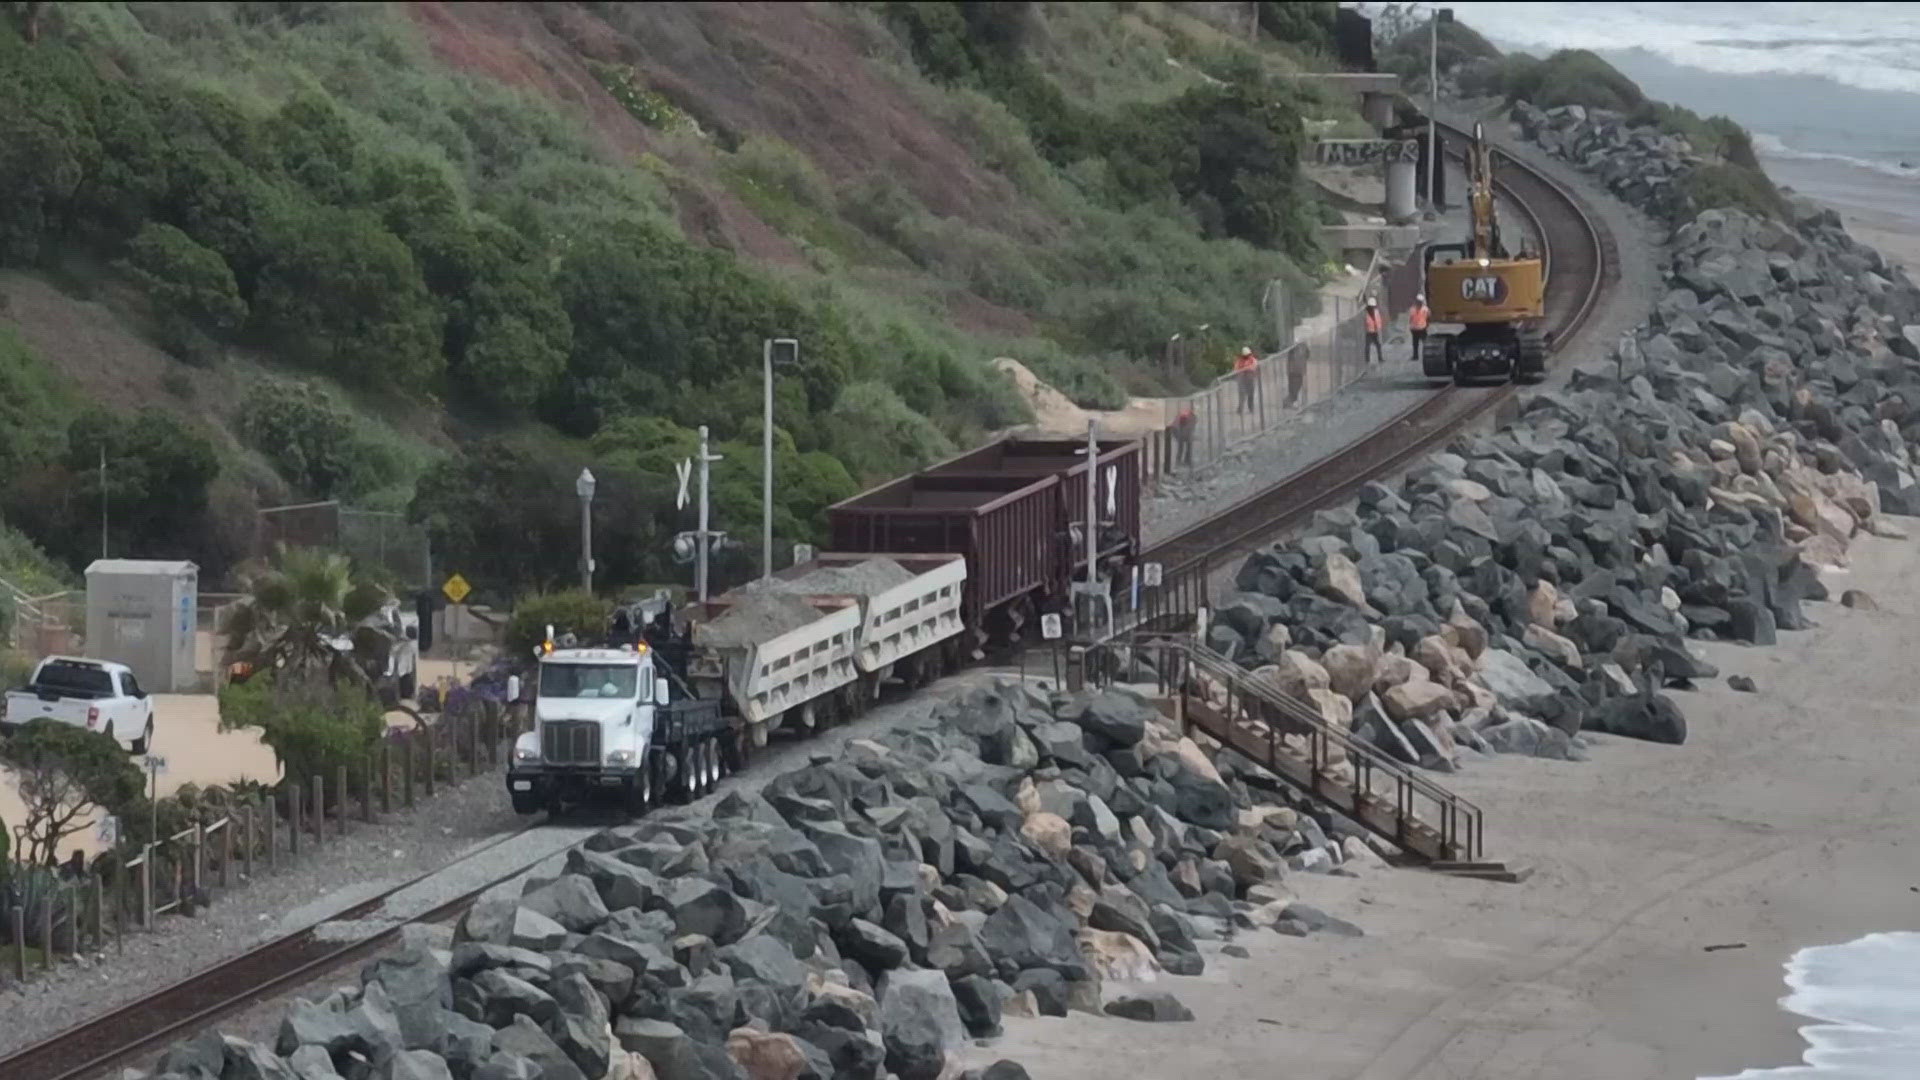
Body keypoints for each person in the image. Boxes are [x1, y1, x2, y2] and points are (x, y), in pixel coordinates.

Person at [1233, 346, 1258, 414]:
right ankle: (1240, 409)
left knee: (1250, 395)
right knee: (1242, 395)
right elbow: (1236, 369)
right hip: (1242, 380)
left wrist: (1244, 369)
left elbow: (1253, 367)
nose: (1247, 356)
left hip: (1250, 379)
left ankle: (1251, 408)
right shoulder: (1239, 361)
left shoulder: (1253, 360)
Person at [1408, 292, 1430, 363]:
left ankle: (1425, 355)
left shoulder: (1425, 309)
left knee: (1425, 343)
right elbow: (1411, 318)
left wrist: (1427, 325)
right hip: (1415, 328)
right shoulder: (1413, 309)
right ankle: (1415, 356)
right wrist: (1410, 326)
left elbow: (1428, 317)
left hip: (1422, 328)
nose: (1419, 303)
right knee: (1415, 343)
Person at [1172, 401, 1195, 467]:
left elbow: (1192, 426)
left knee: (1187, 447)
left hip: (1186, 434)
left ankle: (1187, 460)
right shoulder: (1178, 421)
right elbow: (1174, 429)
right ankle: (1180, 461)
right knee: (1181, 448)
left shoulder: (1191, 417)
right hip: (1181, 435)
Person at [1363, 295, 1384, 365]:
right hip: (1369, 332)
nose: (1372, 308)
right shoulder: (1366, 312)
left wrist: (1379, 329)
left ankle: (1380, 358)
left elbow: (1379, 321)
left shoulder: (1376, 312)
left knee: (1378, 345)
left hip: (1375, 331)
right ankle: (1367, 360)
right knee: (1367, 346)